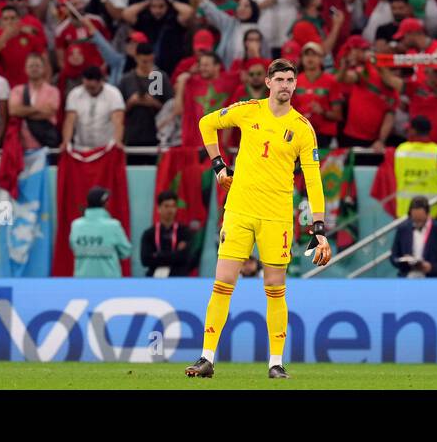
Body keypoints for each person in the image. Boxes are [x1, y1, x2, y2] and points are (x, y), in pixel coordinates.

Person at [186, 58, 328, 380]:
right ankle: (206, 358)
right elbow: (206, 123)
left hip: (277, 217)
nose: (285, 85)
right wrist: (219, 165)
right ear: (268, 83)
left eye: (290, 80)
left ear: (295, 84)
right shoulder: (249, 110)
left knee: (275, 287)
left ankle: (275, 364)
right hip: (239, 210)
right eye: (279, 79)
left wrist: (318, 227)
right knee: (223, 283)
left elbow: (314, 180)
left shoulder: (303, 129)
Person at [69, 186, 133, 278]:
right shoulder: (113, 225)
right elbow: (126, 251)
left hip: (82, 281)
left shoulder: (76, 225)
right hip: (109, 282)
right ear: (105, 203)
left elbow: (74, 248)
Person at [61, 65, 124, 151]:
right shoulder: (74, 94)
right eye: (87, 87)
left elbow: (118, 120)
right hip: (80, 148)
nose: (90, 90)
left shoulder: (114, 94)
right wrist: (66, 141)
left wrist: (117, 141)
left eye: (93, 88)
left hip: (106, 148)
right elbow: (70, 121)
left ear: (101, 81)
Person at [390, 196, 437, 277]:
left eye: (420, 219)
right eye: (414, 219)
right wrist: (402, 262)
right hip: (407, 278)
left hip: (431, 280)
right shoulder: (402, 229)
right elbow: (393, 256)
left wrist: (432, 267)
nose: (417, 222)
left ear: (427, 214)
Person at [141, 190, 193, 277]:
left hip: (178, 277)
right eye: (166, 206)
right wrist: (175, 254)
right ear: (159, 208)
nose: (170, 210)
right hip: (153, 276)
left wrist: (157, 255)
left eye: (173, 206)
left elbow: (186, 259)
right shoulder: (149, 233)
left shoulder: (184, 232)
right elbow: (145, 260)